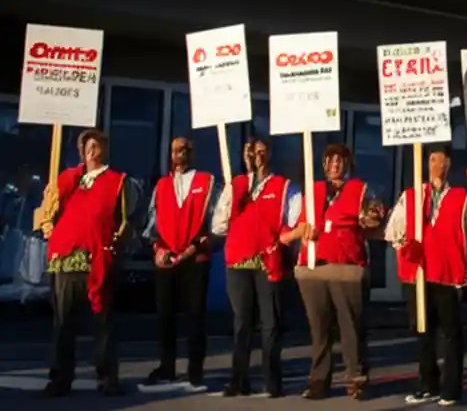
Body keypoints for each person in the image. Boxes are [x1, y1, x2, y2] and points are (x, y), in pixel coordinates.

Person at [36, 129, 139, 398]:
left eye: (96, 145)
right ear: (81, 152)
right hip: (65, 259)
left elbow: (127, 220)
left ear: (105, 149)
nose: (91, 150)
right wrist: (47, 224)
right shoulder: (66, 181)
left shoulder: (119, 181)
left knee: (103, 323)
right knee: (63, 324)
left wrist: (116, 244)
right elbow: (48, 212)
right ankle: (60, 378)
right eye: (86, 146)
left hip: (98, 259)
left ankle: (107, 378)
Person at [387, 145, 467, 406]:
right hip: (419, 275)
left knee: (451, 333)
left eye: (441, 160)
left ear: (448, 164)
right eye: (431, 160)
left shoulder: (461, 197)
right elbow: (393, 231)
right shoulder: (412, 196)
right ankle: (427, 384)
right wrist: (406, 245)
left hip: (448, 273)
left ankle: (451, 388)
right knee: (423, 331)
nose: (436, 165)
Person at [212, 137, 303, 397]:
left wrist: (285, 245)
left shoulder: (285, 187)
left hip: (268, 263)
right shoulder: (236, 186)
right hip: (238, 262)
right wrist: (235, 202)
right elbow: (218, 225)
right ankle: (238, 380)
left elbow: (295, 222)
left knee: (270, 323)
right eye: (252, 153)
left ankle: (272, 381)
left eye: (262, 152)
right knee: (242, 323)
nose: (257, 157)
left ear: (270, 154)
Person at [295, 143, 385, 401]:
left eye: (340, 160)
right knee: (319, 330)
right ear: (324, 165)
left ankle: (356, 378)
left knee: (351, 328)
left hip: (347, 266)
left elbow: (375, 217)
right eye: (331, 160)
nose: (335, 164)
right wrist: (303, 232)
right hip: (315, 267)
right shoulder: (313, 191)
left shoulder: (360, 189)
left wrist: (370, 217)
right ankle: (318, 381)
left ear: (347, 165)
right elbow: (298, 225)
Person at [141, 137, 218, 390]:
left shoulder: (206, 182)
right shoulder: (162, 185)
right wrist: (158, 249)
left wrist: (196, 247)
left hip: (195, 258)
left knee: (195, 317)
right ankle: (167, 366)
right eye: (175, 150)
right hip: (167, 259)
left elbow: (217, 222)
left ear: (192, 153)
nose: (179, 154)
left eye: (184, 150)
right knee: (165, 315)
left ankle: (195, 370)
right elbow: (152, 222)